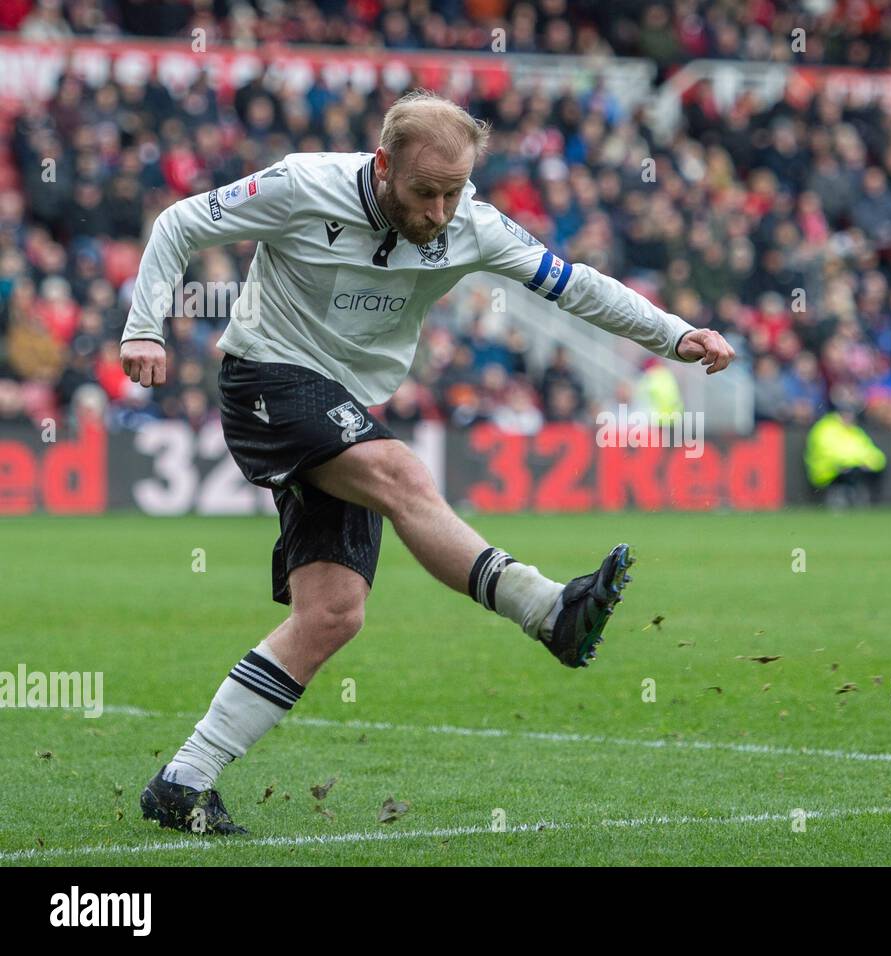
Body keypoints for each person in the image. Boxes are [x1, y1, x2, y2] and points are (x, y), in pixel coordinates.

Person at [120, 89, 736, 835]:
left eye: (453, 191)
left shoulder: (471, 222)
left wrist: (676, 334)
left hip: (342, 401)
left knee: (332, 616)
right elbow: (180, 222)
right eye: (424, 192)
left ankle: (183, 780)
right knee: (404, 473)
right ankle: (547, 610)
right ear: (383, 166)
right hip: (266, 377)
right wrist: (145, 328)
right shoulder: (301, 185)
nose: (439, 211)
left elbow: (574, 286)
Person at [804, 389, 887, 508]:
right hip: (827, 470)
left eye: (851, 413)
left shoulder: (855, 431)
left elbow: (870, 451)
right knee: (850, 471)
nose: (849, 417)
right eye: (845, 413)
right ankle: (842, 497)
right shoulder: (824, 428)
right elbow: (826, 452)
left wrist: (871, 463)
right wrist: (853, 462)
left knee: (873, 469)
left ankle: (863, 498)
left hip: (850, 466)